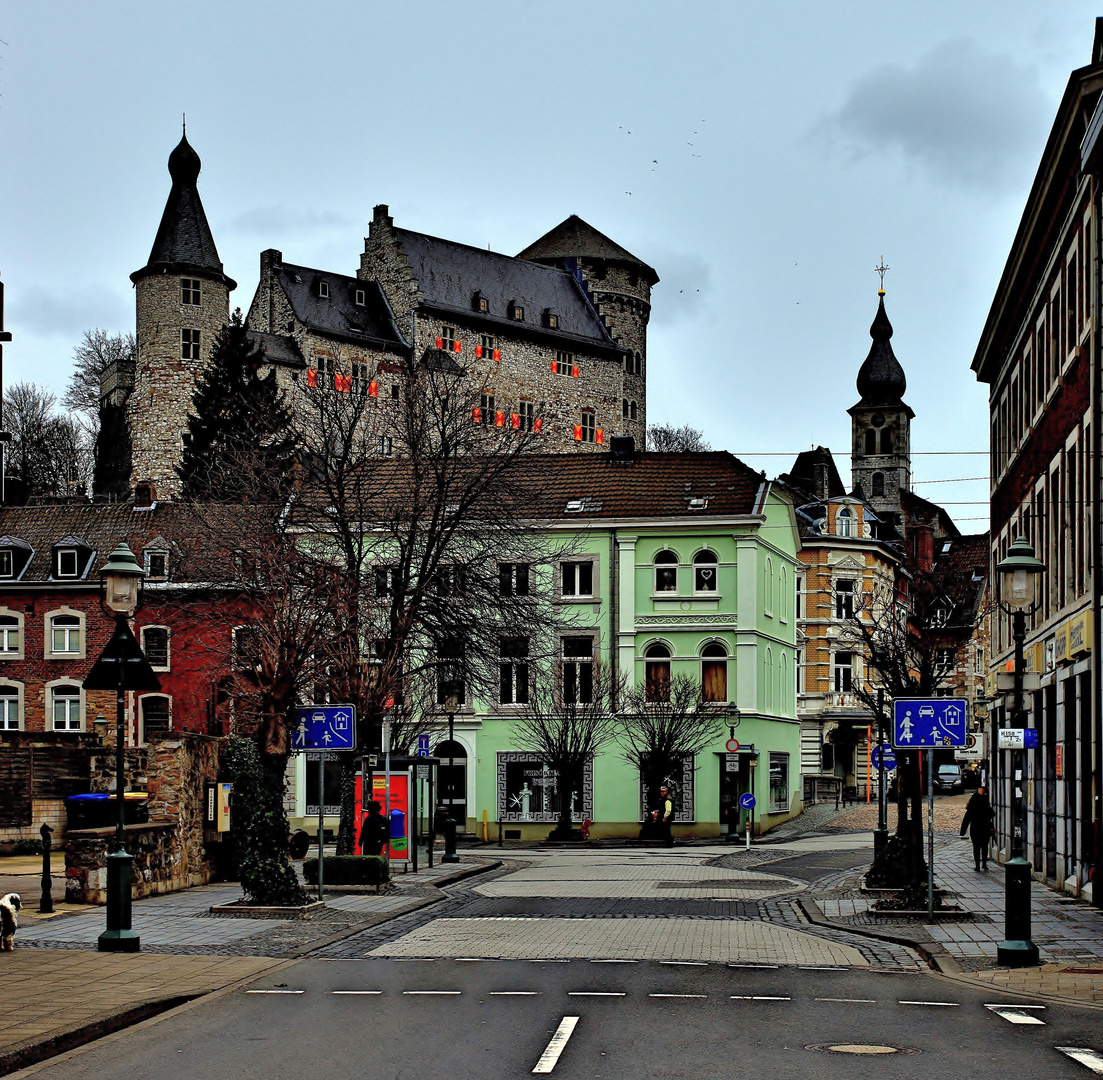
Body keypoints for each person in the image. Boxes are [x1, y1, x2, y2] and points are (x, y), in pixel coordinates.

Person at [960, 787, 995, 871]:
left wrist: (963, 831)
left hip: (975, 828)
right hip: (985, 828)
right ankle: (984, 864)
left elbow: (966, 820)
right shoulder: (985, 806)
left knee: (976, 847)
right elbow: (992, 814)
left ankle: (977, 865)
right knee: (984, 846)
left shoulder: (971, 808)